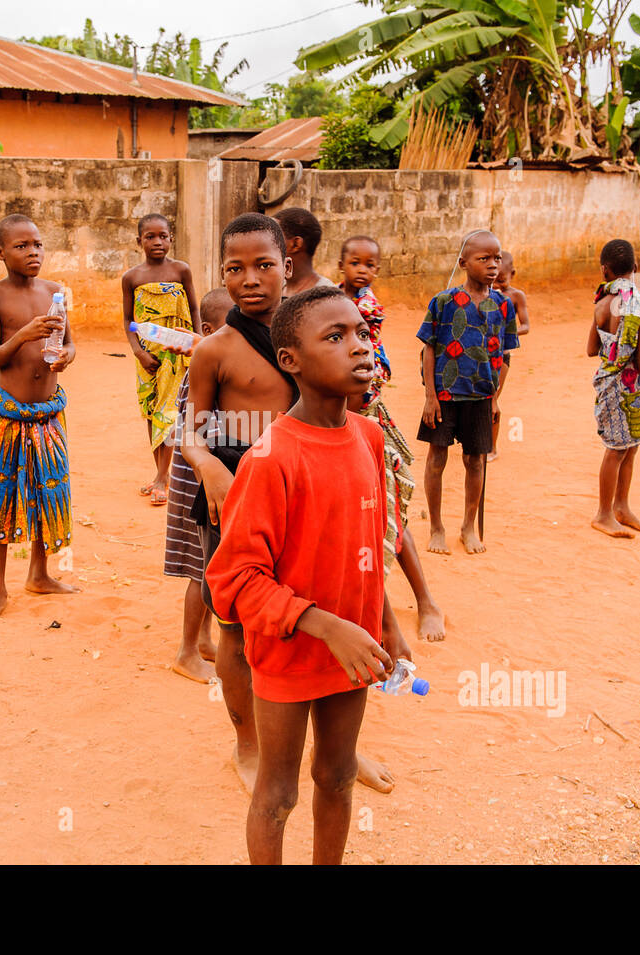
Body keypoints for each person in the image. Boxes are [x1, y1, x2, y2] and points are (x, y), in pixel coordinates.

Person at [182, 213, 395, 796]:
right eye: (234, 268)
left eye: (264, 265)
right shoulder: (215, 349)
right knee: (238, 629)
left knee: (336, 606)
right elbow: (190, 429)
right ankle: (247, 744)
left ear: (288, 265)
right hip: (240, 494)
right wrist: (210, 469)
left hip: (316, 494)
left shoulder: (315, 326)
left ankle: (342, 747)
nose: (250, 279)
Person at [207, 285, 406, 865]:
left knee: (338, 775)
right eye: (336, 337)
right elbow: (236, 579)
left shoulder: (368, 438)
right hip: (291, 652)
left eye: (361, 333)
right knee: (278, 793)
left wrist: (384, 622)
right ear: (289, 360)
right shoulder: (271, 458)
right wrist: (322, 625)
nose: (360, 348)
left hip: (353, 651)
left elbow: (369, 549)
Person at [340, 235, 446, 642]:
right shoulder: (331, 299)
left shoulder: (368, 309)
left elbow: (368, 369)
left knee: (389, 516)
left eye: (370, 265)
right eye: (355, 263)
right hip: (336, 424)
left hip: (365, 421)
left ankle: (425, 603)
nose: (362, 270)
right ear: (342, 264)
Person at [0, 214, 79, 620]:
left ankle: (40, 574)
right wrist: (24, 335)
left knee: (47, 492)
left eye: (37, 244)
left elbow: (70, 345)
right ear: (1, 253)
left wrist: (65, 356)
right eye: (22, 246)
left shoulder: (55, 292)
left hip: (49, 412)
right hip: (9, 415)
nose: (33, 252)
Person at [416, 229, 519, 555]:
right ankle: (436, 526)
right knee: (437, 459)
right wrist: (430, 396)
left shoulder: (503, 306)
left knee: (476, 462)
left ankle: (468, 526)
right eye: (484, 258)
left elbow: (505, 356)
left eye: (497, 258)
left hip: (481, 397)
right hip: (445, 396)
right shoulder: (443, 302)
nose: (493, 265)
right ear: (463, 262)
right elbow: (428, 350)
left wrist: (496, 399)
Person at [163, 288, 230, 683]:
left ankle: (204, 638)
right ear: (206, 330)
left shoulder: (226, 358)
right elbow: (200, 429)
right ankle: (187, 650)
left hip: (209, 470)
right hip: (198, 475)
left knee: (210, 561)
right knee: (200, 567)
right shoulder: (207, 364)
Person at [586, 238, 640, 539]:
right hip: (629, 384)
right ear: (635, 268)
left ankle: (621, 507)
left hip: (610, 383)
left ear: (604, 270)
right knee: (617, 450)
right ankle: (603, 514)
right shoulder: (639, 305)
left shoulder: (601, 303)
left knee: (629, 445)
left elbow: (591, 349)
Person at [121, 214, 201, 506]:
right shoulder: (132, 277)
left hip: (175, 355)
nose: (158, 242)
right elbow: (129, 321)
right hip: (146, 356)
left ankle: (164, 477)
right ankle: (159, 472)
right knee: (152, 411)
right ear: (139, 241)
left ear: (171, 238)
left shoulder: (181, 270)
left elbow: (194, 310)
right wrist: (139, 353)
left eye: (163, 236)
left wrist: (196, 344)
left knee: (169, 412)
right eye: (150, 237)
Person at [489, 251, 531, 461]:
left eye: (502, 281)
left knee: (492, 399)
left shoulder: (515, 296)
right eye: (493, 281)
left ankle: (492, 447)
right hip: (482, 356)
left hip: (502, 355)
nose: (496, 286)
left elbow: (526, 325)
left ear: (512, 274)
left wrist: (504, 332)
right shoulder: (483, 294)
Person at [273, 207, 335, 295]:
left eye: (274, 237)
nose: (267, 242)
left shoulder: (327, 295)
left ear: (296, 244)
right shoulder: (277, 287)